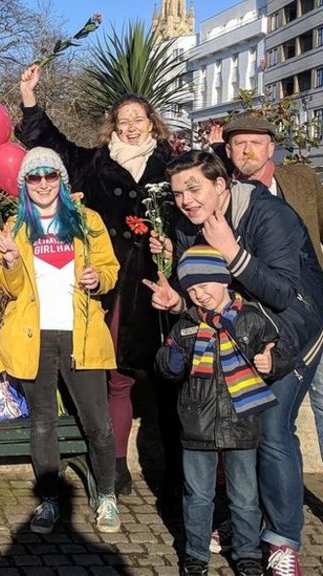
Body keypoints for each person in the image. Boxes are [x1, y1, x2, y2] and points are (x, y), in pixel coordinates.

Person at [147, 151, 323, 574]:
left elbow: (284, 294)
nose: (186, 200)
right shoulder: (187, 223)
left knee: (273, 429)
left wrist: (232, 251)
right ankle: (245, 519)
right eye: (178, 192)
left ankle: (282, 540)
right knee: (235, 429)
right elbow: (200, 282)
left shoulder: (268, 217)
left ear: (221, 185)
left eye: (195, 188)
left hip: (292, 329)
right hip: (235, 331)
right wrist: (177, 300)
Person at [18, 64, 176, 494]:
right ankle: (117, 467)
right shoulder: (95, 163)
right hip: (113, 283)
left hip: (165, 282)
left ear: (151, 123)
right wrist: (30, 99)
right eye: (122, 120)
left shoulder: (174, 164)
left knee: (170, 374)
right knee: (118, 376)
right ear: (113, 126)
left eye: (137, 119)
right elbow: (50, 150)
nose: (130, 126)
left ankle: (176, 468)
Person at [0, 147, 122, 534]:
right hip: (35, 335)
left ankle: (107, 496)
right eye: (35, 177)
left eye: (51, 175)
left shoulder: (87, 220)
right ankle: (49, 501)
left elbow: (111, 269)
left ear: (62, 180)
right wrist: (12, 262)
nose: (44, 183)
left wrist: (99, 278)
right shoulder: (16, 225)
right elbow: (10, 289)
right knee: (43, 424)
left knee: (98, 423)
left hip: (81, 334)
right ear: (25, 185)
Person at [155, 246, 290, 576]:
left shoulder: (252, 320)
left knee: (244, 497)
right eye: (192, 290)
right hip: (196, 423)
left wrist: (272, 362)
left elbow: (284, 352)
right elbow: (168, 368)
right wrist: (168, 361)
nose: (200, 295)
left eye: (205, 285)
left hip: (242, 421)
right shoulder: (185, 325)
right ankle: (196, 554)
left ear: (224, 280)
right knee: (197, 496)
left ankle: (247, 553)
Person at [210, 114, 323, 471]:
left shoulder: (301, 180)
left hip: (311, 312)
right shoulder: (220, 192)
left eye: (256, 143)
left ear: (271, 147)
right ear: (227, 150)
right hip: (258, 322)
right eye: (239, 143)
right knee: (271, 422)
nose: (248, 150)